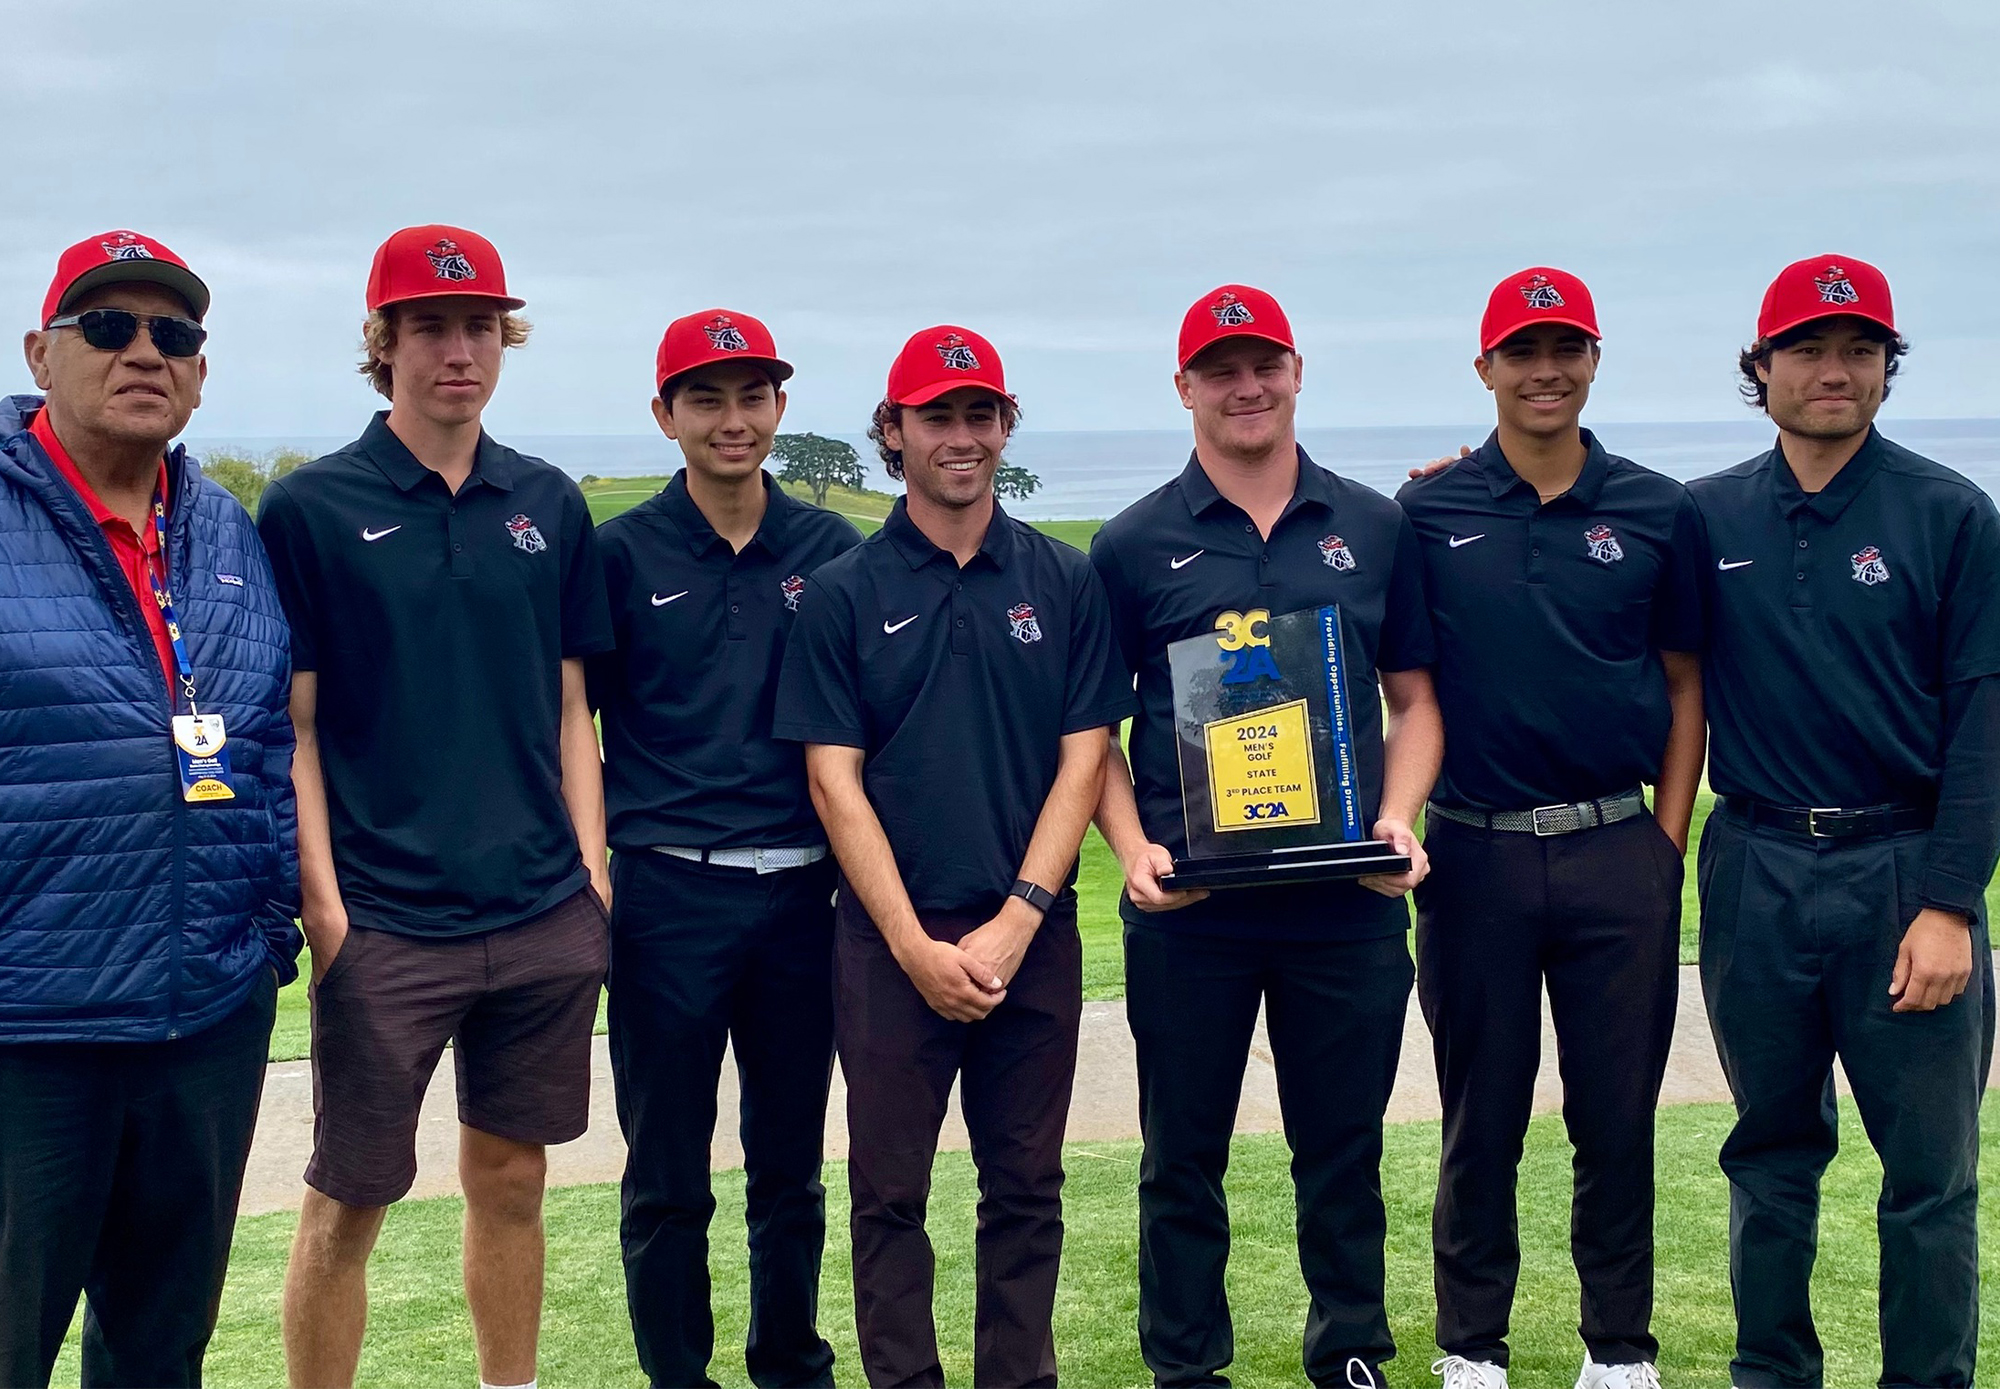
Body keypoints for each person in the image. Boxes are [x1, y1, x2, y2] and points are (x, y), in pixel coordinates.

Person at [257, 225, 615, 1389]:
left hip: (538, 910)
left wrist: (591, 875)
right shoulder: (311, 508)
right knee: (347, 1202)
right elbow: (294, 726)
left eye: (477, 327)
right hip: (387, 920)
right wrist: (328, 912)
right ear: (384, 342)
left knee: (512, 1183)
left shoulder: (550, 504)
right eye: (428, 327)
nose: (457, 350)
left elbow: (572, 705)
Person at [1088, 285, 1443, 1389]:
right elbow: (1090, 732)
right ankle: (1185, 1365)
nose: (1246, 388)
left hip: (1342, 903)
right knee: (1180, 1156)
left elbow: (1415, 701)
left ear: (1295, 372)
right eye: (1219, 369)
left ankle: (1349, 1347)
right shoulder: (1130, 542)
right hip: (1191, 907)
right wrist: (1129, 850)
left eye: (1264, 365)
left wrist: (1398, 818)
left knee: (1340, 1150)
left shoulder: (1374, 526)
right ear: (1183, 386)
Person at [773, 325, 1133, 1388]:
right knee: (888, 1196)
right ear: (893, 432)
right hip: (889, 945)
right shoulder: (842, 591)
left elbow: (1085, 758)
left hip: (1032, 938)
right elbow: (832, 780)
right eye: (935, 416)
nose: (960, 436)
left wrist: (1017, 919)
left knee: (1025, 1189)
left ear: (1005, 424)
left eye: (979, 414)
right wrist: (912, 943)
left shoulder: (1062, 582)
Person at [1689, 256, 1999, 1389]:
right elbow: (1595, 596)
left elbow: (1982, 726)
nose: (1834, 371)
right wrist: (1452, 496)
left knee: (1928, 1177)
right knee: (1767, 1157)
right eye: (1808, 350)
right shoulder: (1704, 516)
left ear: (1885, 368)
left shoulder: (1948, 514)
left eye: (1859, 350)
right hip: (1754, 865)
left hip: (1900, 866)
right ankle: (1771, 1375)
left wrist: (1948, 905)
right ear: (1760, 368)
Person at [0, 230, 299, 1387]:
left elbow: (267, 744)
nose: (144, 352)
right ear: (41, 350)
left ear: (200, 369)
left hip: (205, 1022)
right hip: (31, 1031)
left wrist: (263, 933)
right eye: (108, 327)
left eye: (172, 334)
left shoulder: (222, 526)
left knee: (160, 1352)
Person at [1396, 268, 1704, 1389]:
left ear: (1592, 358)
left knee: (1614, 1113)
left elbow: (1681, 686)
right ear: (1483, 368)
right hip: (1471, 848)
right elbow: (1402, 687)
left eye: (1563, 348)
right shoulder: (1425, 513)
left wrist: (1662, 844)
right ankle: (1469, 1344)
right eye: (1521, 352)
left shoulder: (1654, 510)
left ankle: (1616, 1347)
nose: (1544, 370)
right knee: (1480, 1113)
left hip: (1615, 847)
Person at [590, 309, 862, 1388]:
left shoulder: (831, 551)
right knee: (665, 1175)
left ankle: (789, 1364)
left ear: (780, 410)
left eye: (752, 397)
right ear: (665, 415)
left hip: (804, 899)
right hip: (666, 896)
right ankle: (677, 1375)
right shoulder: (618, 555)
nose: (732, 419)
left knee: (790, 1167)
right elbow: (576, 722)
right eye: (705, 398)